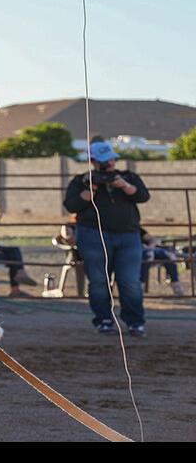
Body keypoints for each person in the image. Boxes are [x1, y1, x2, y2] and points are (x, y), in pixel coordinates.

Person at [63, 141, 151, 336]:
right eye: (105, 161)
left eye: (111, 160)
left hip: (128, 235)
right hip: (93, 235)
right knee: (98, 280)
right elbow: (71, 205)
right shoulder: (81, 181)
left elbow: (143, 196)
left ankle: (135, 322)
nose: (110, 164)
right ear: (93, 161)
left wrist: (124, 185)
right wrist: (91, 188)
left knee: (130, 281)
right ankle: (104, 320)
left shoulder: (128, 177)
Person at [140, 228, 185, 297]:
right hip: (137, 252)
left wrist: (150, 247)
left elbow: (152, 240)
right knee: (148, 256)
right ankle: (140, 285)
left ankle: (175, 283)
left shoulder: (137, 229)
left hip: (149, 249)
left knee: (169, 255)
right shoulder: (124, 229)